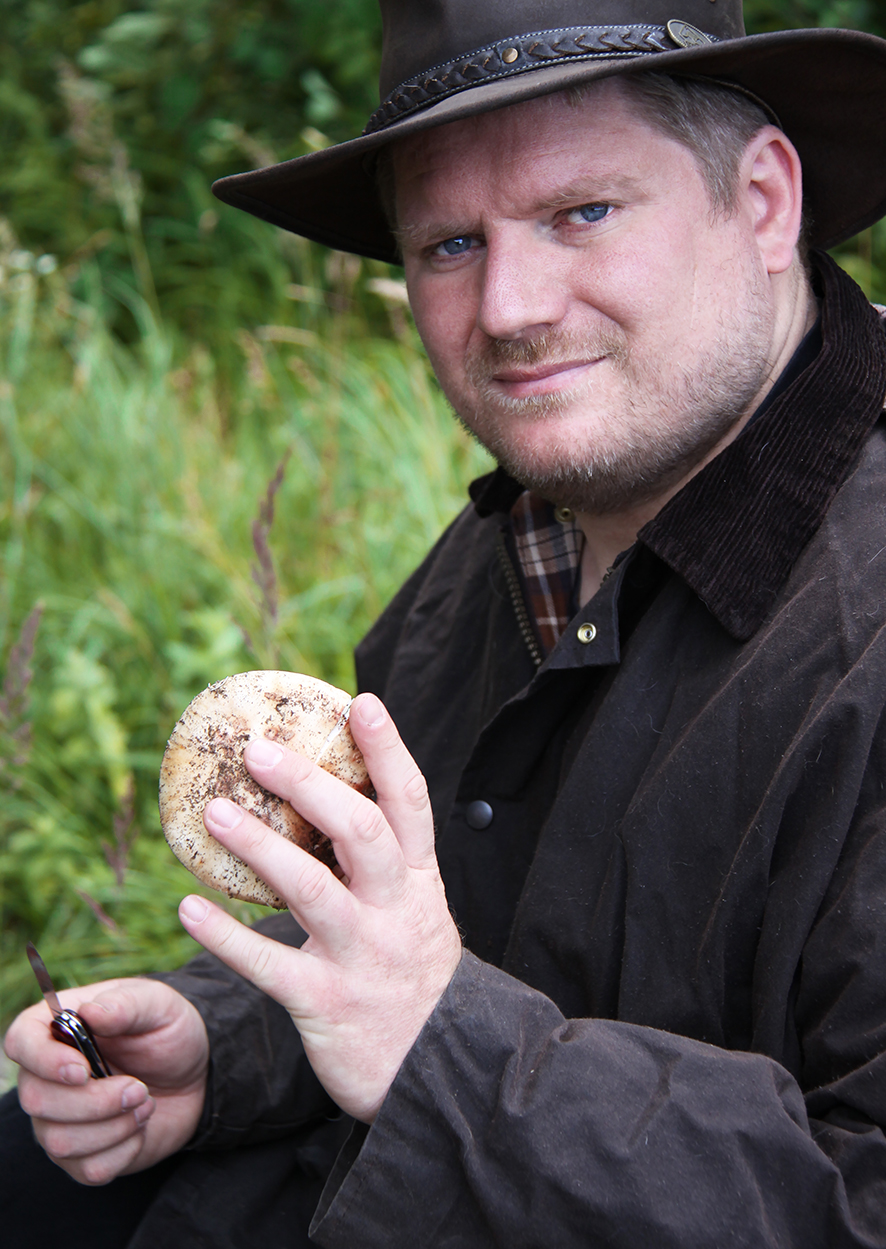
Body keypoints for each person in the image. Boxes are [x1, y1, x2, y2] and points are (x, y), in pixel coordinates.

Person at [4, 0, 886, 1244]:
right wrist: (227, 1048)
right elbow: (426, 939)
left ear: (761, 202)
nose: (511, 308)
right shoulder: (509, 549)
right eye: (448, 245)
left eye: (582, 212)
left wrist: (441, 1049)